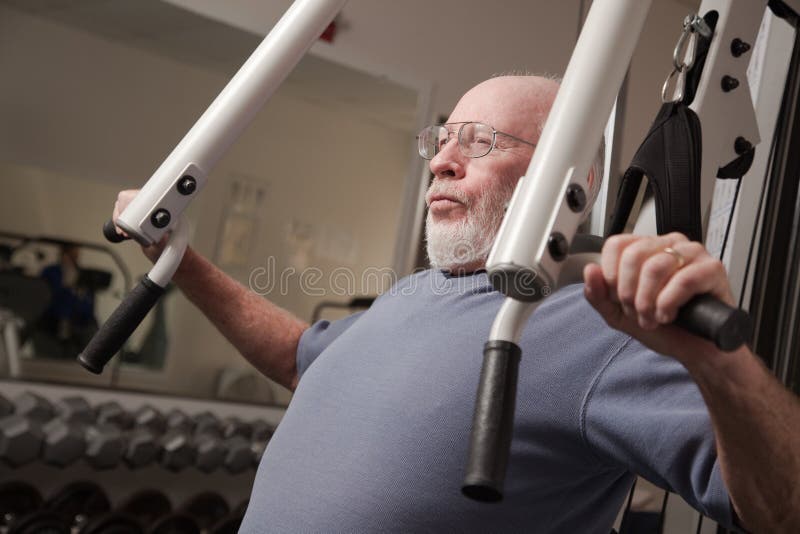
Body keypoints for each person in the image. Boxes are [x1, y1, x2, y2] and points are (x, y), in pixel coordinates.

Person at [113, 76, 799, 532]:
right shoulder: (416, 294)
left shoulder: (603, 326)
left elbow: (781, 509)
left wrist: (721, 366)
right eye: (442, 140)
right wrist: (183, 262)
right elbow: (301, 358)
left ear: (571, 182)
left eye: (480, 142)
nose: (443, 160)